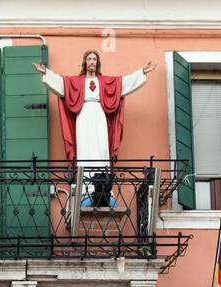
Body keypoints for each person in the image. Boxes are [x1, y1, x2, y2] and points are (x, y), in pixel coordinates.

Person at [34, 51, 156, 207]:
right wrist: (46, 73)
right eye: (89, 58)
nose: (91, 61)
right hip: (83, 116)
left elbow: (122, 83)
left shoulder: (105, 82)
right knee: (84, 149)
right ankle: (85, 190)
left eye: (94, 59)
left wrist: (142, 72)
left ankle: (104, 186)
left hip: (99, 116)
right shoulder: (76, 82)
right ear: (85, 62)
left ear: (97, 62)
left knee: (101, 148)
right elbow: (62, 83)